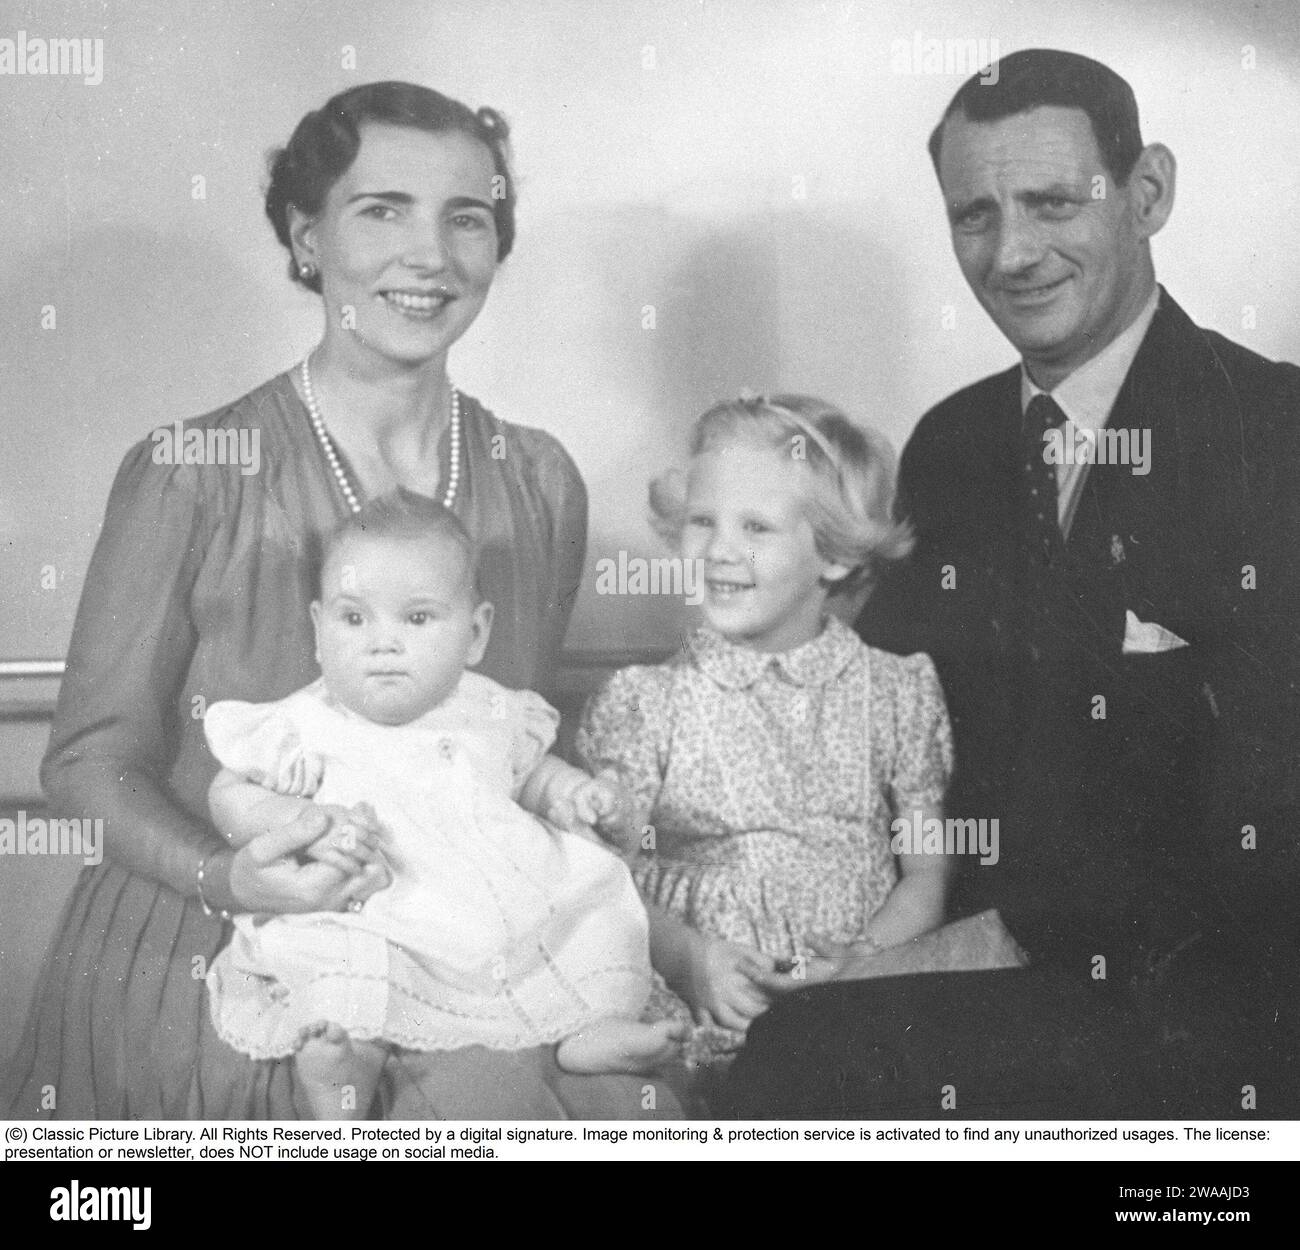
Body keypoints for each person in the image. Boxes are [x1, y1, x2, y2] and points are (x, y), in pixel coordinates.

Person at [4, 80, 683, 1119]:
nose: (431, 253)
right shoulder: (191, 470)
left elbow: (490, 745)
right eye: (382, 209)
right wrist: (230, 873)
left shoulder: (540, 480)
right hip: (217, 936)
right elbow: (87, 760)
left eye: (467, 216)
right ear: (304, 235)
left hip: (469, 937)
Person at [724, 50, 1300, 1118]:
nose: (1011, 252)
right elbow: (896, 724)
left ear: (1148, 192)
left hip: (1206, 986)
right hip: (984, 950)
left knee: (797, 1059)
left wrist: (959, 946)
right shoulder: (952, 443)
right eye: (973, 215)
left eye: (1049, 204)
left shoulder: (1275, 432)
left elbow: (1261, 832)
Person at [204, 495, 684, 1118]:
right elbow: (230, 793)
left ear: (475, 632)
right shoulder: (304, 723)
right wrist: (296, 823)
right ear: (318, 629)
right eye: (354, 619)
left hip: (504, 904)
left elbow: (529, 775)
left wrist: (571, 793)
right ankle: (349, 1071)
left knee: (601, 920)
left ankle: (587, 1032)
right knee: (346, 964)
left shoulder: (494, 709)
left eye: (418, 619)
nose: (383, 643)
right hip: (380, 907)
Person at [577, 393, 954, 1072]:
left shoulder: (897, 693)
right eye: (702, 521)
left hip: (853, 997)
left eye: (756, 527)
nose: (720, 550)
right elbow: (603, 874)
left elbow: (926, 871)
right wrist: (691, 959)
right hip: (695, 999)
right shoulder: (646, 701)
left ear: (834, 556)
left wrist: (859, 962)